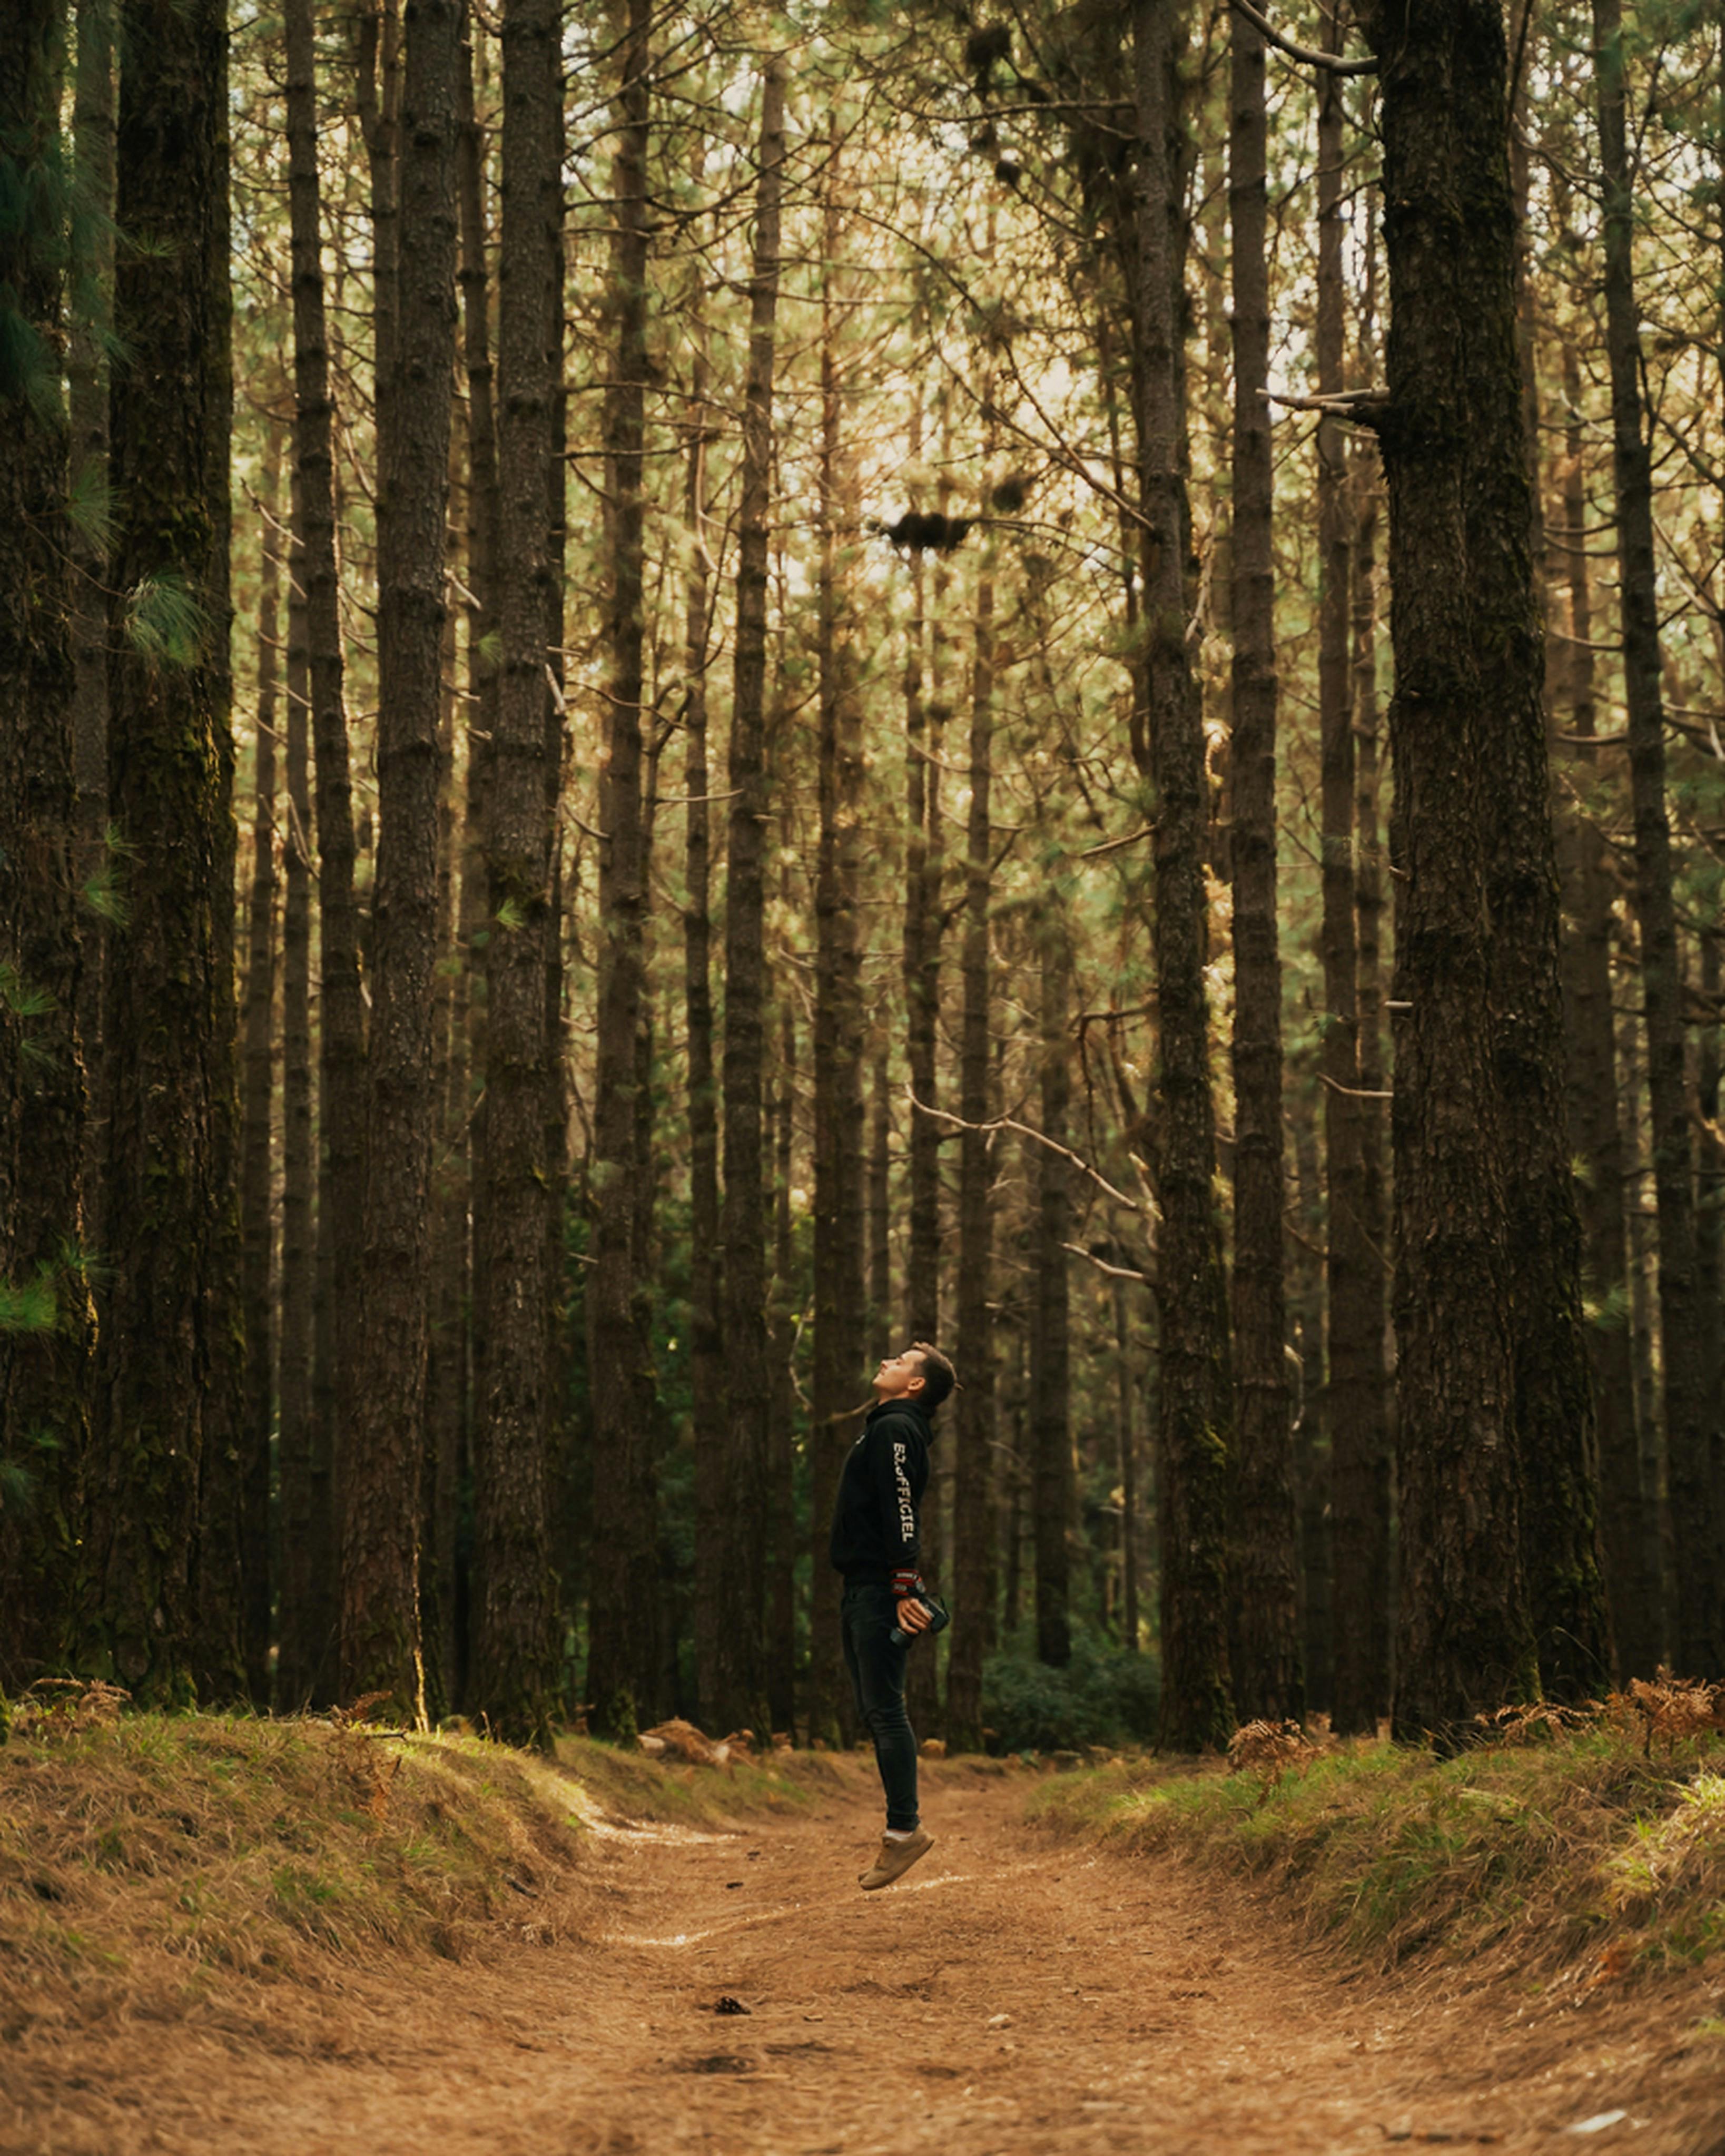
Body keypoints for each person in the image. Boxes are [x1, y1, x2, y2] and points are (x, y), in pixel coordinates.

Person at [829, 1340, 956, 1889]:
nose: (886, 1362)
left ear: (915, 1385)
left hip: (881, 1590)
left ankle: (903, 1833)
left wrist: (904, 1584)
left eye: (900, 1362)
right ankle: (902, 1830)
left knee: (885, 1712)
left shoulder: (895, 1430)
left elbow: (901, 1507)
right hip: (865, 1587)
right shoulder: (886, 1426)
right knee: (876, 1710)